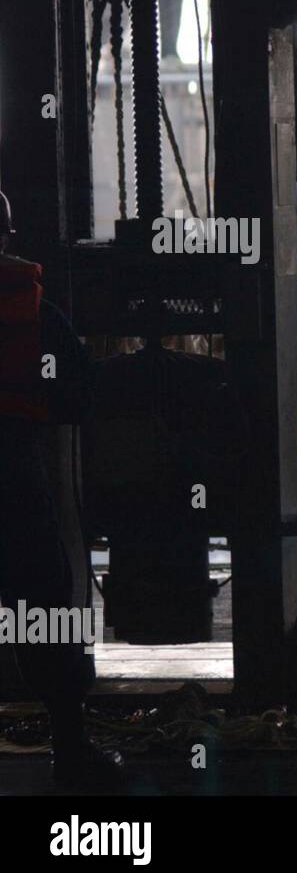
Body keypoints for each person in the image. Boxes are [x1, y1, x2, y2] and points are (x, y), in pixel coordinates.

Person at [0, 191, 120, 786]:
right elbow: (78, 396)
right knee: (44, 605)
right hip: (12, 474)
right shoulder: (33, 308)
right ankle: (71, 749)